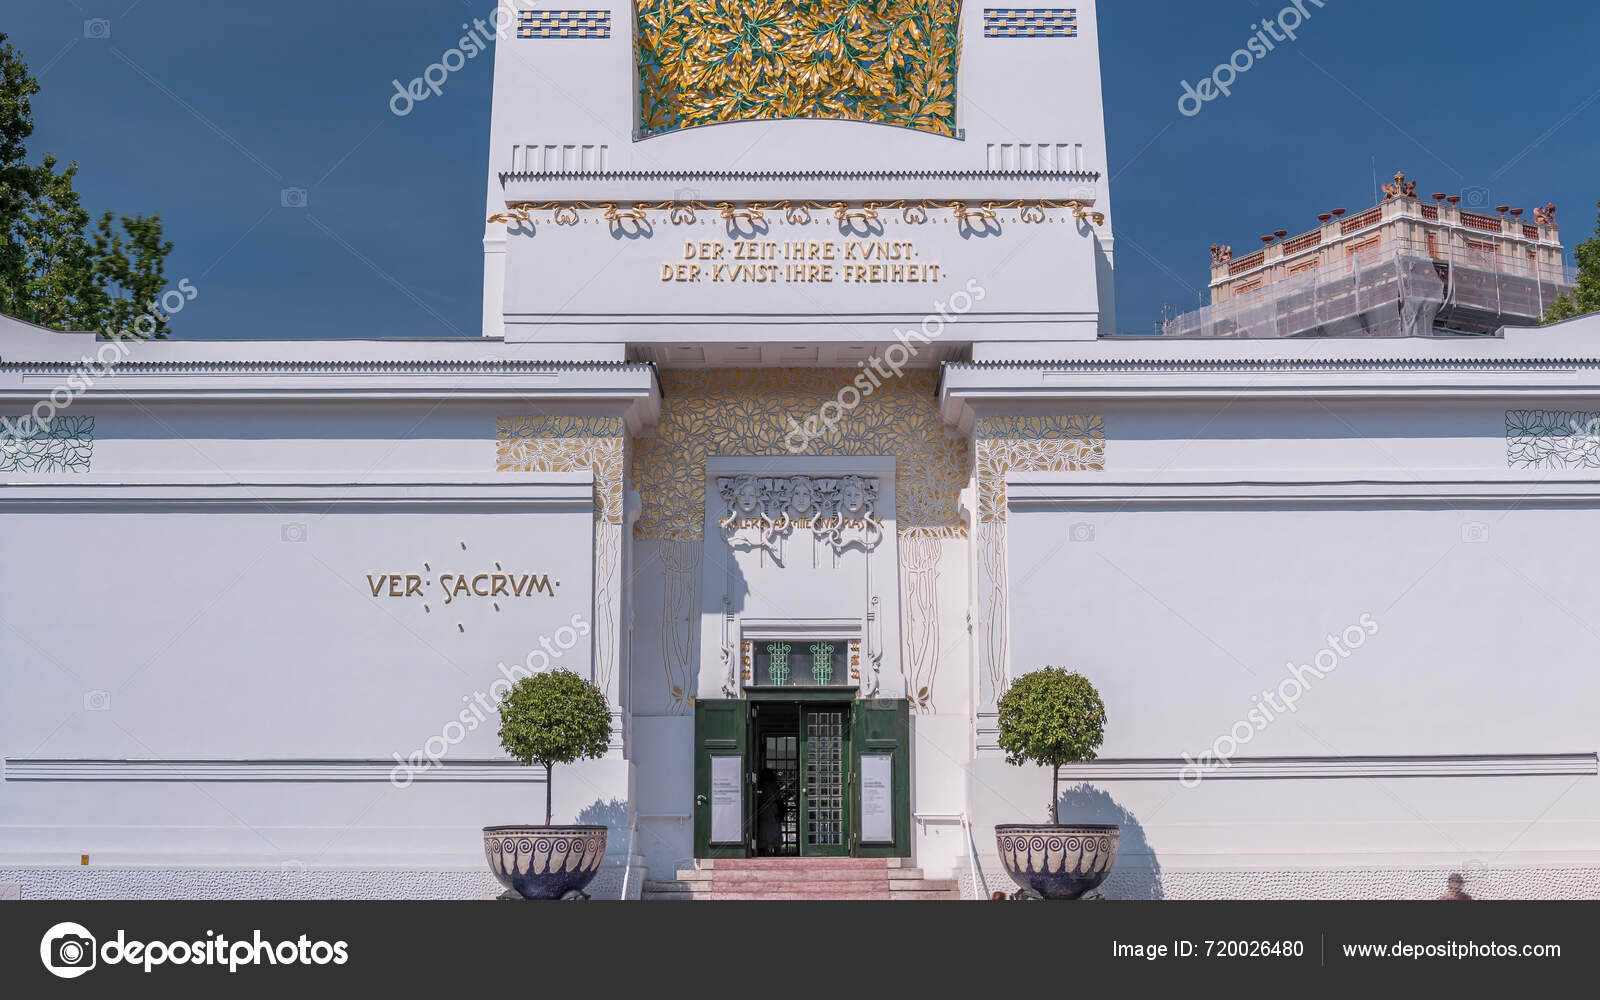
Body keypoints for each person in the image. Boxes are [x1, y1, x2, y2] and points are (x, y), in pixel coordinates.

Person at [756, 768, 787, 855]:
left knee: (764, 833)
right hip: (773, 810)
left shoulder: (761, 785)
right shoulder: (775, 785)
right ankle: (777, 852)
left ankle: (766, 853)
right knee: (776, 833)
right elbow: (779, 798)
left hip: (764, 810)